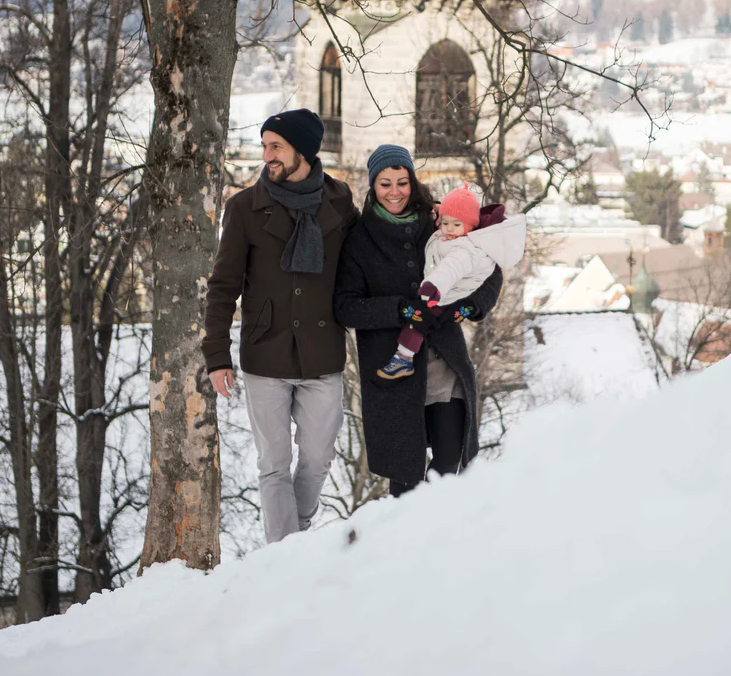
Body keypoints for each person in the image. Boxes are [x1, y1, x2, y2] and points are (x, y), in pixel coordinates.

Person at [201, 109, 359, 543]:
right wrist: (217, 356)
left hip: (323, 353)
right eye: (265, 145)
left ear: (303, 151)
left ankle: (297, 535)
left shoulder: (341, 203)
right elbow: (222, 287)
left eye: (276, 146)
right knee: (273, 463)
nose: (266, 155)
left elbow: (365, 264)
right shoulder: (245, 208)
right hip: (264, 355)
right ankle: (285, 555)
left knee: (317, 458)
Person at [333, 145, 502, 496]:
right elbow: (346, 307)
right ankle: (403, 549)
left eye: (402, 182)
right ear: (372, 187)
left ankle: (441, 546)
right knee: (405, 487)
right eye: (385, 184)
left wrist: (467, 308)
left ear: (413, 181)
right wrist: (401, 309)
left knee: (447, 475)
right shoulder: (359, 239)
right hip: (394, 375)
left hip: (444, 368)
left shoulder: (439, 223)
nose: (395, 192)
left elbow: (489, 269)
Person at [378, 183, 526, 380]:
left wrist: (434, 286)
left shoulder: (465, 248)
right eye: (445, 223)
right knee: (419, 318)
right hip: (441, 289)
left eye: (456, 225)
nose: (448, 228)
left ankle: (404, 358)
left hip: (448, 292)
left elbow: (450, 269)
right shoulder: (449, 236)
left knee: (417, 322)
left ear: (471, 225)